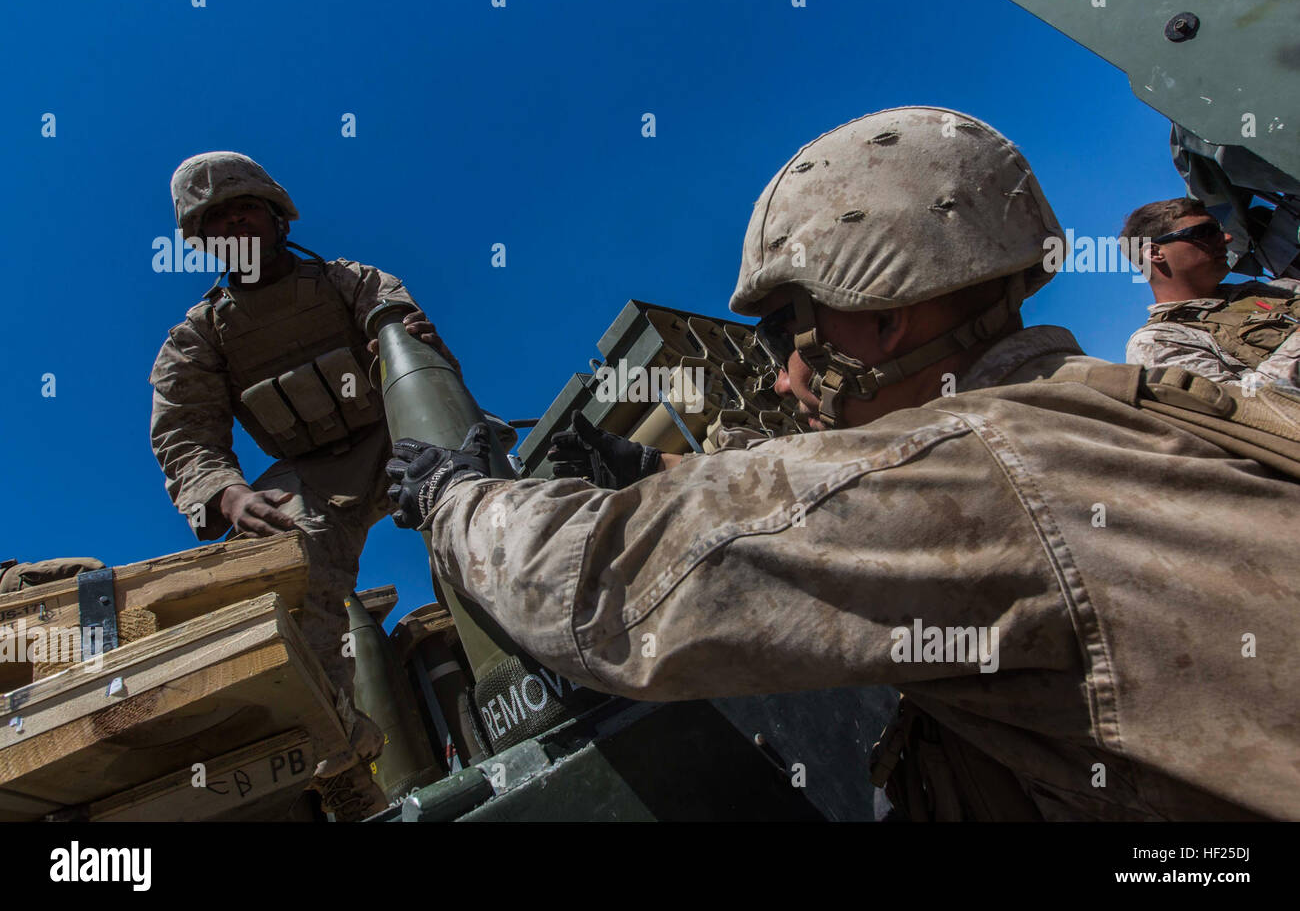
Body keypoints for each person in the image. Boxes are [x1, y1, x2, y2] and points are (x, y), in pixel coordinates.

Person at [386, 108, 1300, 820]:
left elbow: (587, 585)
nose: (785, 379)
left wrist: (451, 493)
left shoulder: (976, 469)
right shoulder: (1153, 405)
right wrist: (649, 469)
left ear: (882, 318)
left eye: (788, 332)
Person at [149, 151, 459, 818]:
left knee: (473, 499)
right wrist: (230, 494)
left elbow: (403, 331)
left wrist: (411, 343)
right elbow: (186, 436)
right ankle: (340, 769)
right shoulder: (198, 338)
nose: (236, 223)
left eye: (246, 208)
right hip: (312, 476)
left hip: (396, 432)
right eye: (217, 219)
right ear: (203, 243)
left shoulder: (348, 279)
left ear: (277, 215)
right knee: (280, 578)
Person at [1123, 196, 1300, 388]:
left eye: (1219, 230)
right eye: (1206, 232)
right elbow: (1238, 407)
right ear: (1155, 253)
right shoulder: (1159, 341)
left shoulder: (1271, 290)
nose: (1227, 238)